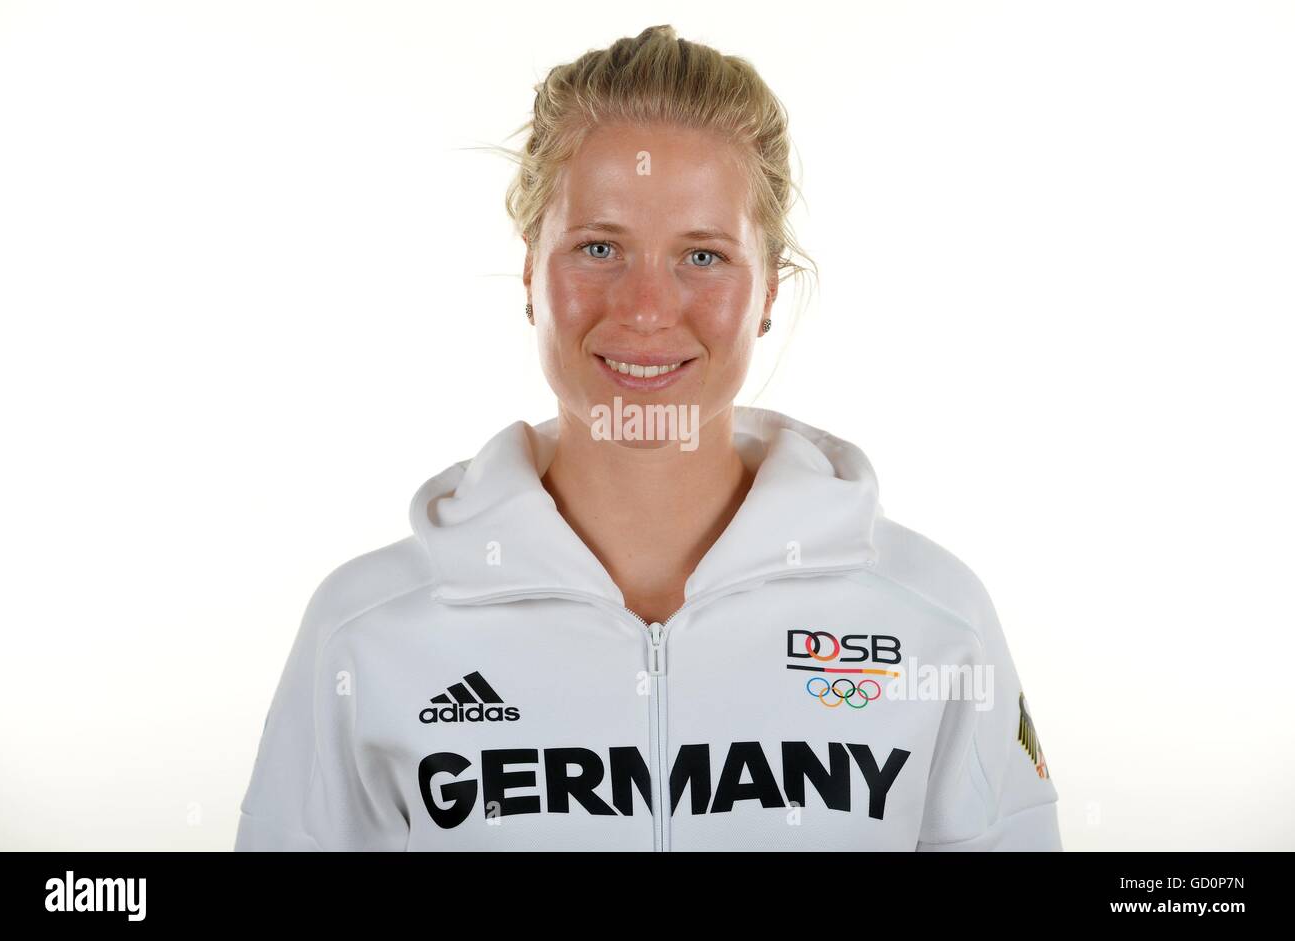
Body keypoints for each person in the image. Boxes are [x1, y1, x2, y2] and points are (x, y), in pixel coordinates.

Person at [233, 24, 1061, 851]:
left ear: (769, 288)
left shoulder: (933, 620)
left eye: (702, 256)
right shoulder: (368, 632)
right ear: (531, 271)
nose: (644, 310)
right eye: (599, 247)